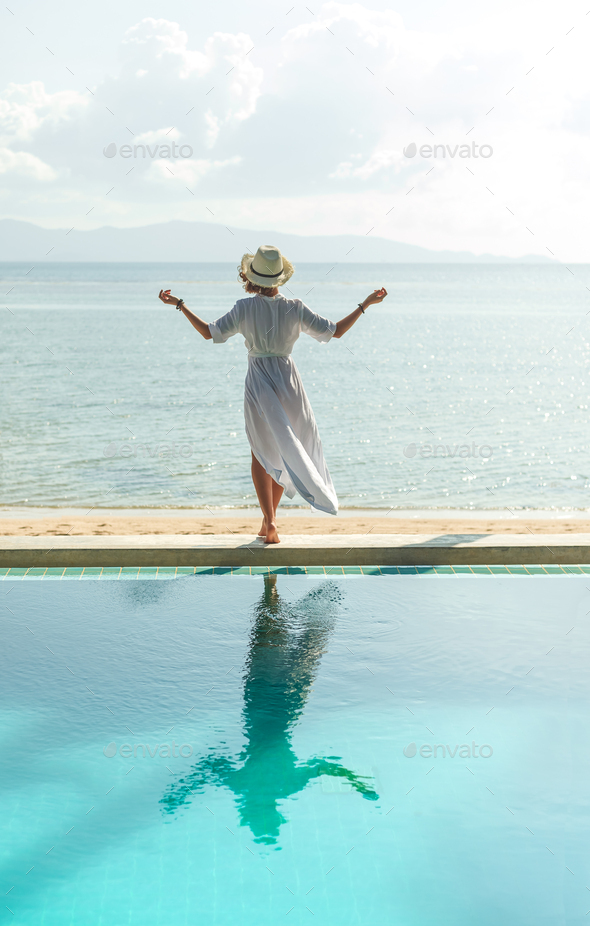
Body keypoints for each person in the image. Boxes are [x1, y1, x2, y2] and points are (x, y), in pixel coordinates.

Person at [158, 245, 387, 543]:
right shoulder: (295, 307)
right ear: (279, 277)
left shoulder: (244, 308)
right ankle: (271, 523)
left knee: (260, 450)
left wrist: (180, 305)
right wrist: (365, 303)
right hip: (289, 383)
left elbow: (208, 332)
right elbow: (336, 331)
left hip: (259, 381)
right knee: (283, 448)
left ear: (253, 276)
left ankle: (270, 521)